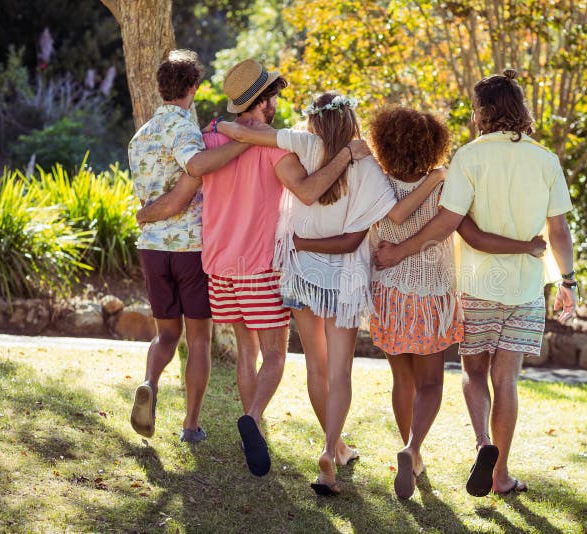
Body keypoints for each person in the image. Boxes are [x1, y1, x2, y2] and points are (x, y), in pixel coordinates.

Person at [137, 60, 364, 477]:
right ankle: (253, 419)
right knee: (275, 356)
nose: (277, 103)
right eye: (273, 96)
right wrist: (348, 153)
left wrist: (149, 213)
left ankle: (251, 431)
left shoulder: (208, 139)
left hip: (218, 266)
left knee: (247, 351)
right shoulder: (272, 148)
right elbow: (311, 192)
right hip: (259, 265)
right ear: (262, 101)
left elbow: (186, 189)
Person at [216, 93, 440, 496]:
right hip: (344, 281)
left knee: (315, 368)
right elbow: (399, 214)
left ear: (314, 120)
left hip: (302, 275)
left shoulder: (304, 144)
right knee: (339, 373)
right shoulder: (367, 165)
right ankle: (328, 450)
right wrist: (436, 180)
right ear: (351, 119)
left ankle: (335, 449)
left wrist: (225, 127)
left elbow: (246, 134)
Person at [375, 69, 577, 497]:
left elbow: (446, 224)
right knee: (507, 380)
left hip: (477, 285)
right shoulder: (545, 160)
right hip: (525, 290)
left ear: (482, 113)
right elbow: (558, 231)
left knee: (473, 374)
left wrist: (398, 251)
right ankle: (501, 474)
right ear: (520, 110)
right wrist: (569, 280)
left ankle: (483, 443)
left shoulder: (469, 157)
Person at [127, 49, 250, 444]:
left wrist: (147, 215)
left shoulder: (140, 135)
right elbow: (196, 166)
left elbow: (151, 198)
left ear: (160, 87)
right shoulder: (184, 128)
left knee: (165, 335)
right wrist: (245, 143)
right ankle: (191, 426)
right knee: (198, 338)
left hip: (152, 248)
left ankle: (149, 382)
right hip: (189, 249)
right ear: (193, 87)